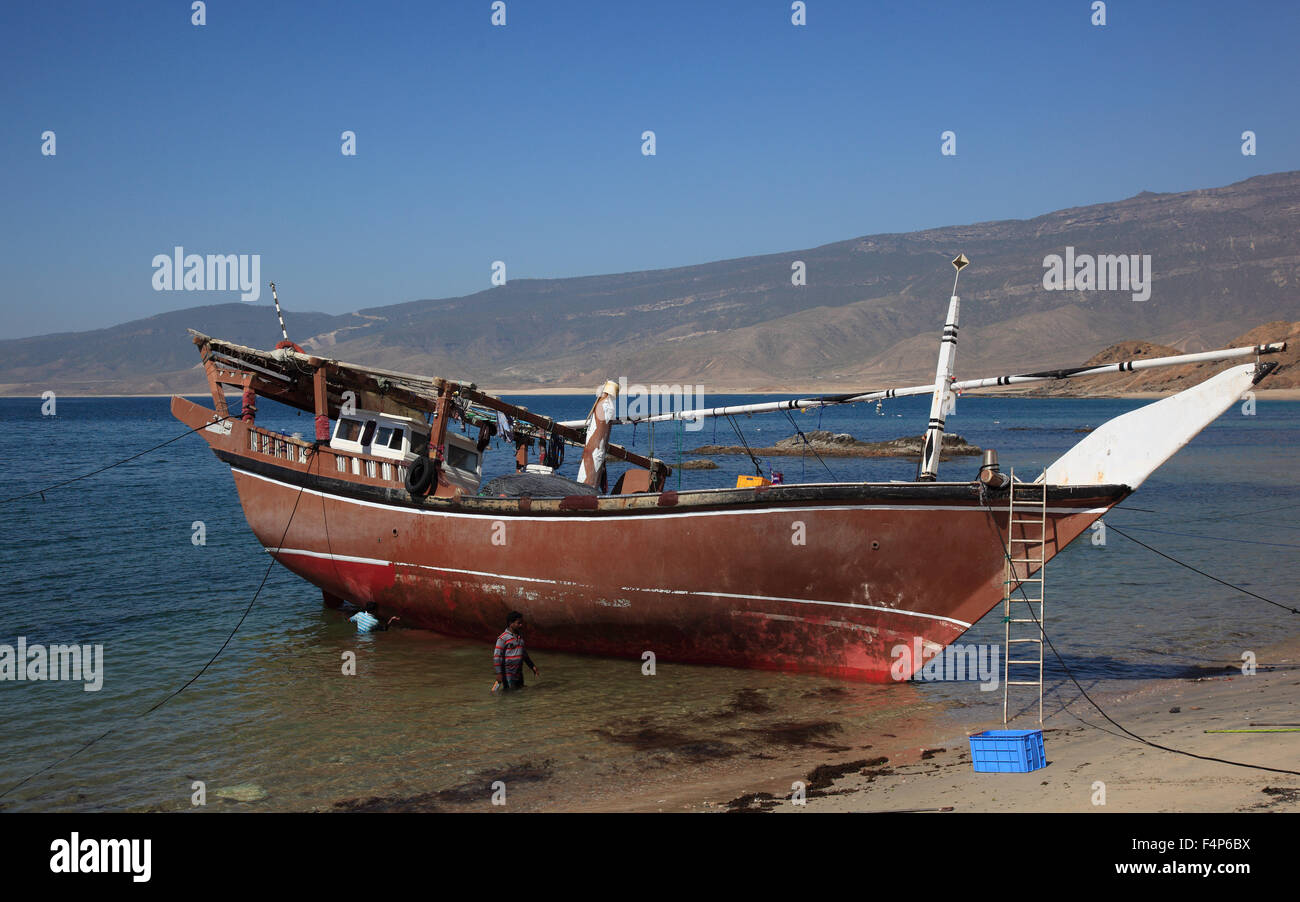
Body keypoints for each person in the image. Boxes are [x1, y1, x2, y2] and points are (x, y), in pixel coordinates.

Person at [492, 611, 539, 691]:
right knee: (509, 693)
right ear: (511, 623)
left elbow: (524, 655)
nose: (521, 625)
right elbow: (497, 657)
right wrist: (499, 673)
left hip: (518, 673)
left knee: (519, 692)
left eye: (521, 623)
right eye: (519, 623)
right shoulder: (503, 638)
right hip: (508, 674)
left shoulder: (520, 637)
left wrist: (532, 666)